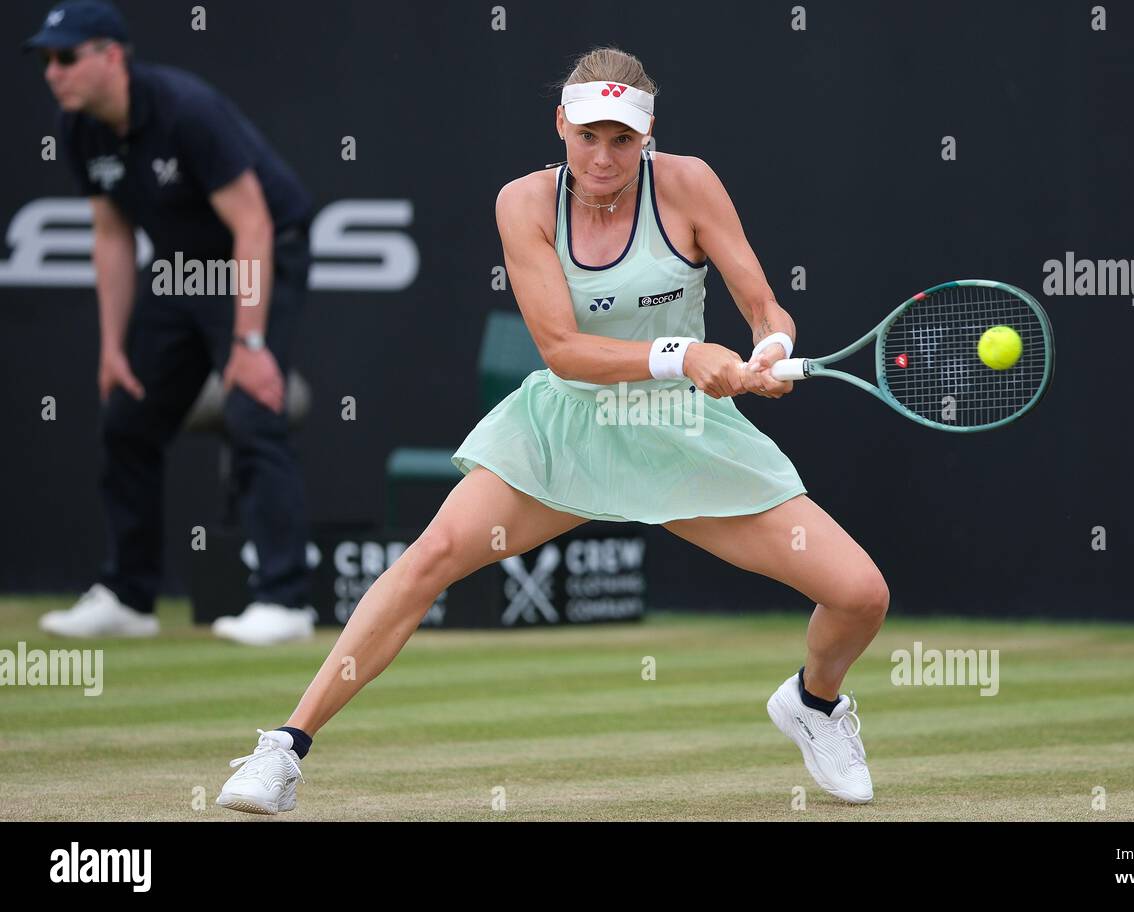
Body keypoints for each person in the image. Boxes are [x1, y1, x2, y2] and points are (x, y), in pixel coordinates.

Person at [216, 47, 888, 813]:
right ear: (561, 124)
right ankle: (284, 749)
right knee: (428, 558)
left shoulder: (690, 184)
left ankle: (815, 702)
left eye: (623, 139)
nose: (604, 156)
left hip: (685, 432)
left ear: (649, 136)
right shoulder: (524, 203)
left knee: (862, 595)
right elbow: (562, 351)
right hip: (566, 429)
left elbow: (766, 307)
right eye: (589, 135)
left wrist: (767, 349)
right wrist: (684, 353)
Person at [25, 0, 317, 646]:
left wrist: (249, 343)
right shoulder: (78, 128)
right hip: (181, 267)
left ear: (111, 54)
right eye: (46, 60)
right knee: (127, 414)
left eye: (67, 57)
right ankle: (129, 595)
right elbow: (112, 237)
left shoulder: (187, 111)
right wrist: (110, 349)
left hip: (263, 250)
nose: (54, 72)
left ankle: (285, 602)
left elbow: (254, 224)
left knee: (251, 408)